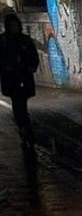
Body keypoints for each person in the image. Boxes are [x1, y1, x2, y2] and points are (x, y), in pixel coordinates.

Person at [0, 13, 40, 148]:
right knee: (19, 104)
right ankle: (25, 127)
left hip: (24, 77)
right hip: (11, 79)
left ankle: (24, 127)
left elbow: (34, 56)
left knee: (20, 104)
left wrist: (31, 67)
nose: (15, 28)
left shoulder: (25, 40)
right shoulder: (4, 41)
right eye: (12, 26)